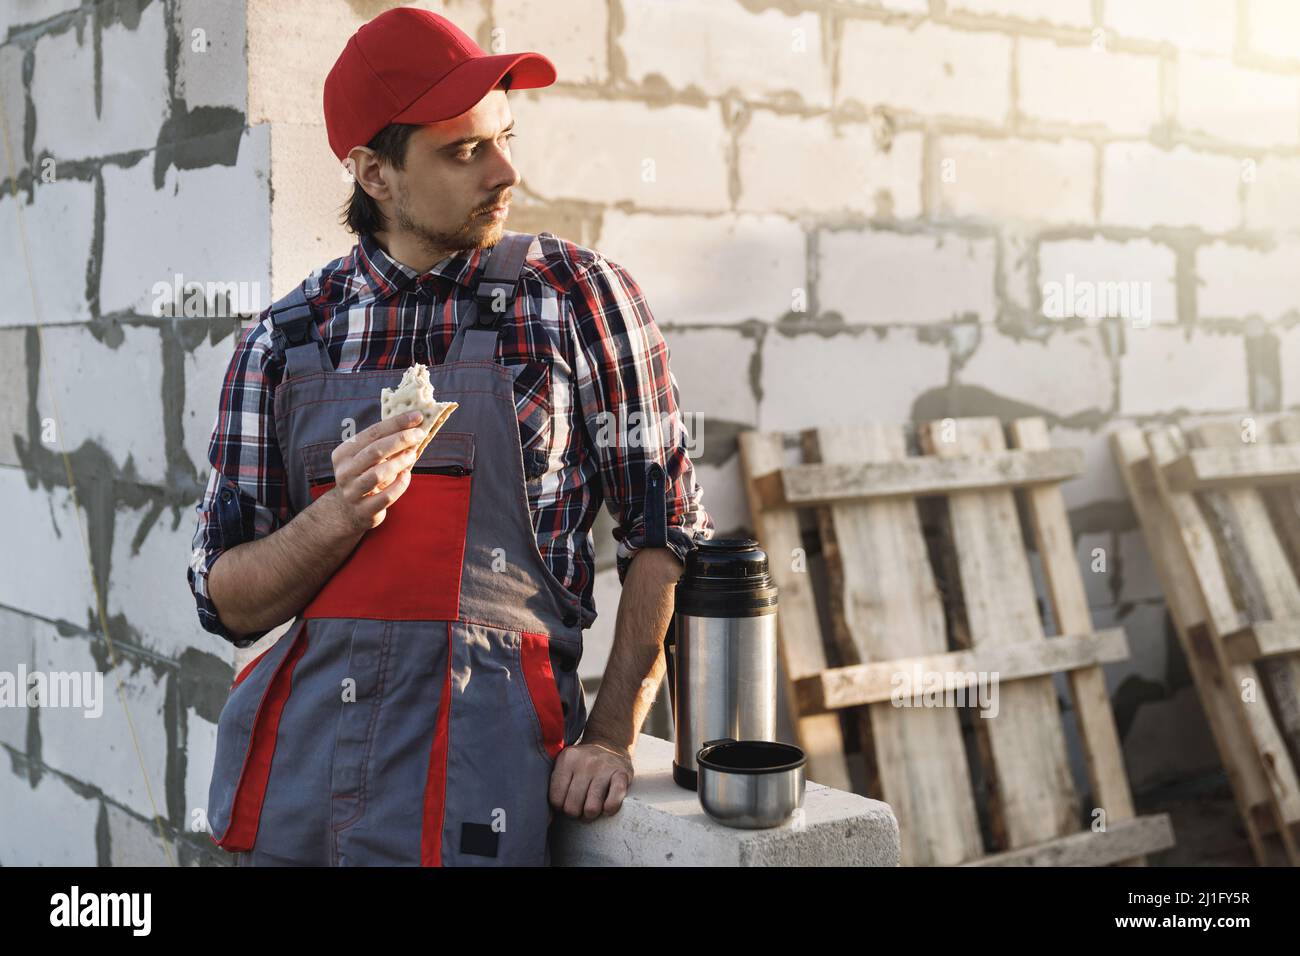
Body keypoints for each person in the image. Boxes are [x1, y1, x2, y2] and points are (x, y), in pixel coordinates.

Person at [187, 6, 712, 866]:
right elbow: (226, 600)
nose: (506, 170)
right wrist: (338, 516)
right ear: (373, 174)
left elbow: (666, 530)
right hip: (300, 799)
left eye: (504, 136)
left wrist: (613, 735)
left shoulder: (577, 299)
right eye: (465, 151)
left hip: (488, 790)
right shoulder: (283, 341)